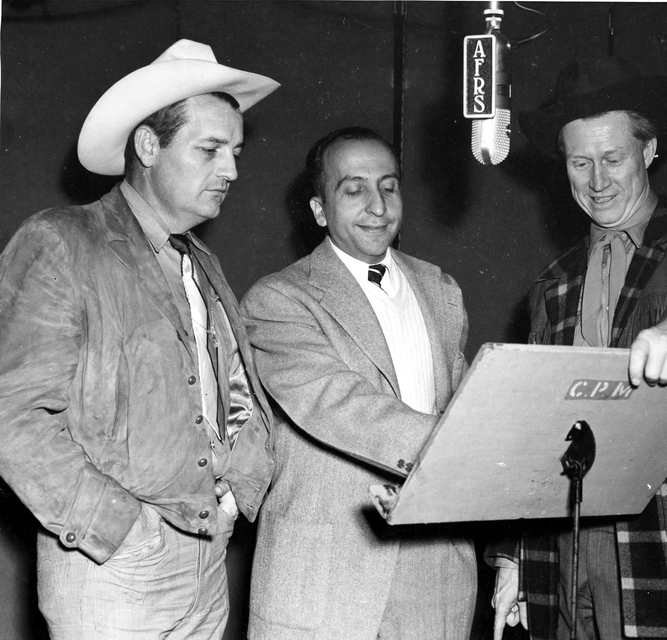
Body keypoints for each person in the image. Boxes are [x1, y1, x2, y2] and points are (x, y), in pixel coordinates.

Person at [0, 39, 279, 639]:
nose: (232, 170)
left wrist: (237, 491)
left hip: (207, 558)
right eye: (210, 150)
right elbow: (10, 412)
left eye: (234, 151)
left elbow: (236, 393)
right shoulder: (62, 241)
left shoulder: (201, 260)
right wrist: (118, 525)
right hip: (116, 566)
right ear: (148, 146)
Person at [490, 58, 667, 640]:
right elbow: (532, 426)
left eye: (613, 158)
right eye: (579, 162)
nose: (596, 180)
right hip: (564, 550)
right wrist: (513, 560)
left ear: (649, 152)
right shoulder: (554, 282)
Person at [242, 127, 477, 640]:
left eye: (389, 187)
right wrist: (469, 453)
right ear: (320, 210)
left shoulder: (442, 290)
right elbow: (337, 403)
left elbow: (467, 403)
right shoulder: (278, 299)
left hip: (435, 574)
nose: (377, 205)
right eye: (354, 189)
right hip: (328, 578)